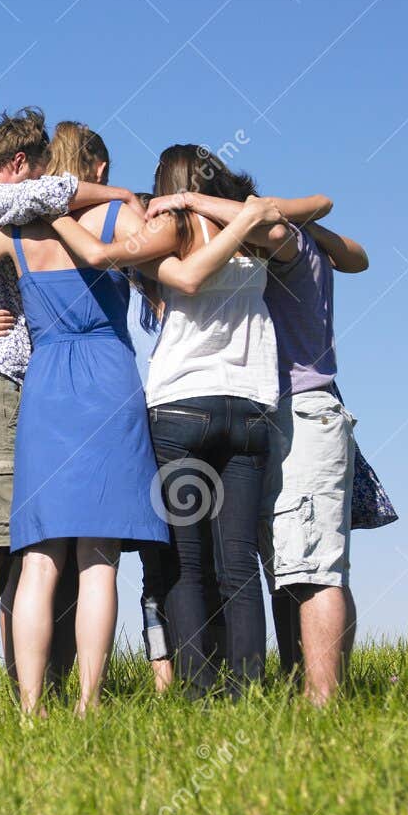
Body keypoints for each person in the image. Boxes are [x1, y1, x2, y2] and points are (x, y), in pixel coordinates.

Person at [0, 127, 167, 717]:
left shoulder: (15, 234)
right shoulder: (117, 217)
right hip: (109, 375)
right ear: (94, 171)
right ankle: (87, 701)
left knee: (38, 557)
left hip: (46, 383)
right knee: (99, 558)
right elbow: (164, 266)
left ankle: (30, 709)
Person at [48, 147, 299, 697]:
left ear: (167, 187)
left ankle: (195, 691)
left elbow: (111, 256)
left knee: (185, 558)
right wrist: (240, 211)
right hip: (251, 404)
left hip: (181, 406)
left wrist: (57, 211)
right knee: (238, 558)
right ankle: (248, 690)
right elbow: (307, 213)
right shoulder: (256, 231)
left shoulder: (168, 229)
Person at [145, 190, 369, 704]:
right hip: (292, 411)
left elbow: (284, 218)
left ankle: (321, 701)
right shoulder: (309, 241)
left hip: (301, 410)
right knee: (291, 562)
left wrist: (188, 200)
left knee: (311, 567)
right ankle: (302, 685)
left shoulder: (282, 238)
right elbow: (357, 254)